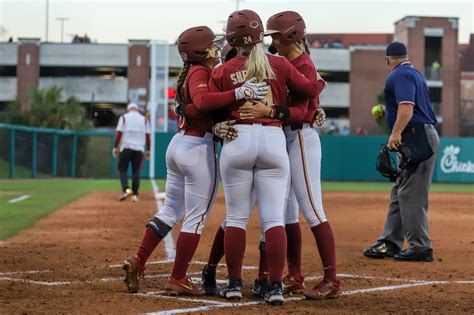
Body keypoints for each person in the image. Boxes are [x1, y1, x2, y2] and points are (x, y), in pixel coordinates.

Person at [122, 25, 269, 296]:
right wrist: (239, 93)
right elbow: (201, 102)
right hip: (198, 148)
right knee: (195, 219)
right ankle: (178, 277)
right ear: (202, 49)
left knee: (170, 211)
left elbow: (190, 107)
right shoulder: (200, 71)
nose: (217, 46)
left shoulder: (192, 71)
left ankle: (138, 259)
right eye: (212, 43)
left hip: (180, 144)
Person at [208, 9, 326, 305]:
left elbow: (206, 105)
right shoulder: (280, 63)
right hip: (274, 140)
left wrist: (216, 125)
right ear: (261, 35)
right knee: (275, 219)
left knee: (236, 218)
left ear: (233, 39)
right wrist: (320, 85)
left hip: (238, 139)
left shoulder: (222, 70)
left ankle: (234, 283)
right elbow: (310, 90)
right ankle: (274, 286)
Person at [232, 10, 341, 300]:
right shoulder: (283, 62)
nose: (272, 42)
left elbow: (306, 109)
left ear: (290, 36)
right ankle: (293, 276)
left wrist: (272, 111)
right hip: (284, 138)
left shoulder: (303, 63)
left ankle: (332, 280)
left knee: (313, 210)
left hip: (300, 136)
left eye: (276, 36)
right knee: (285, 212)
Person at [363, 42, 439, 262]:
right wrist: (389, 113)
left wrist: (394, 133)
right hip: (418, 135)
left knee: (411, 195)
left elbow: (407, 108)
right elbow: (406, 107)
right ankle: (390, 242)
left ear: (388, 60)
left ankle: (420, 247)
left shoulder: (399, 75)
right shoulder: (413, 73)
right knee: (401, 190)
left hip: (417, 137)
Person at [113, 103, 150, 202]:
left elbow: (119, 133)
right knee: (136, 171)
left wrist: (115, 147)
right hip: (139, 149)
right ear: (137, 109)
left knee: (122, 169)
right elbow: (147, 136)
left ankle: (126, 189)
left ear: (128, 109)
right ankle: (135, 195)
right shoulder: (144, 119)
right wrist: (148, 150)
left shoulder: (124, 117)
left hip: (126, 147)